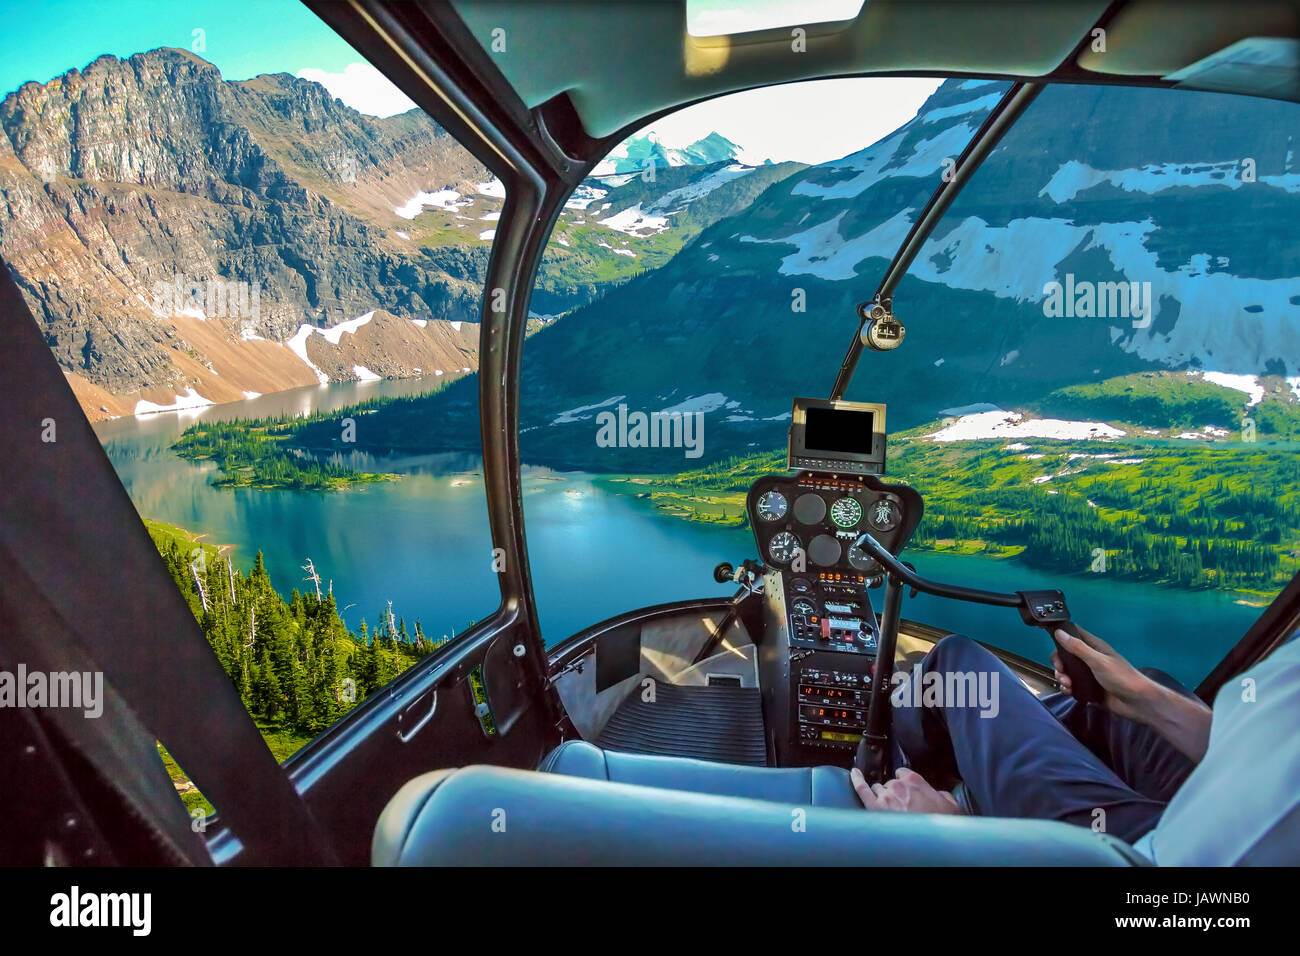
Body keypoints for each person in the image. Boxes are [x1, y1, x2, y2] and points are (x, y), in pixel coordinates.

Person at [849, 626, 1300, 864]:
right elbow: (1270, 748)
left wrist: (954, 840)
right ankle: (993, 777)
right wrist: (1146, 699)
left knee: (959, 666)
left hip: (1149, 857)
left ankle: (926, 776)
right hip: (1225, 798)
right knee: (1128, 697)